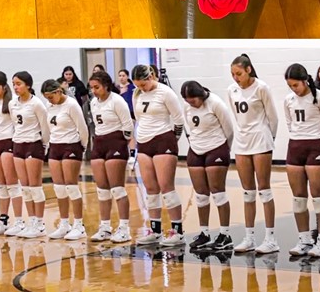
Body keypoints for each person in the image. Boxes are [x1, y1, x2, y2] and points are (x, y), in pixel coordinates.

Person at [226, 53, 281, 253]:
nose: (235, 77)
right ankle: (249, 237)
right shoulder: (231, 90)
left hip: (260, 140)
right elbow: (236, 116)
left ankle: (270, 238)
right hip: (242, 143)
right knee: (248, 192)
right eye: (232, 74)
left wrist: (269, 139)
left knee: (264, 190)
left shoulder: (261, 88)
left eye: (238, 73)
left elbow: (273, 117)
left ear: (248, 70)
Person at [281, 64, 320, 257]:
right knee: (298, 198)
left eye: (296, 85)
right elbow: (289, 123)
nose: (293, 89)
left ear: (305, 81)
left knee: (319, 197)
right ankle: (304, 240)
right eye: (290, 86)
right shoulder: (288, 100)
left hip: (316, 147)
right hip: (295, 147)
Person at [130, 64, 186, 247]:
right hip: (144, 142)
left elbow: (178, 120)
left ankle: (177, 232)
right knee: (150, 188)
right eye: (137, 85)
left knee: (166, 187)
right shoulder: (137, 94)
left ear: (151, 77)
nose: (141, 88)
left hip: (163, 139)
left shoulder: (165, 92)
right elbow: (139, 118)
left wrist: (171, 141)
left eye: (143, 85)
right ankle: (155, 230)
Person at [180, 80, 235, 252]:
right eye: (187, 101)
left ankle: (225, 235)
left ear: (200, 95)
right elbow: (190, 127)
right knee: (201, 195)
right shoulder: (187, 107)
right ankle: (204, 233)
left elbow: (229, 130)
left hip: (216, 148)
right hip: (196, 150)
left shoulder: (215, 104)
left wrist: (224, 150)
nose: (191, 103)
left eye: (193, 100)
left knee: (218, 192)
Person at [87, 69, 135, 243]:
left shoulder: (117, 101)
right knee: (102, 190)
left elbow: (128, 125)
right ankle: (105, 227)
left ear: (106, 86)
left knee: (117, 188)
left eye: (97, 87)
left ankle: (124, 228)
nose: (94, 91)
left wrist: (123, 144)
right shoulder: (93, 102)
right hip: (99, 143)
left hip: (116, 142)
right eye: (92, 87)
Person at [41, 78, 90, 240]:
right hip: (55, 147)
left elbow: (83, 129)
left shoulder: (71, 105)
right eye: (46, 97)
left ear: (58, 92)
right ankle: (64, 224)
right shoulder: (49, 106)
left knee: (71, 187)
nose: (48, 100)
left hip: (71, 146)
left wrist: (81, 148)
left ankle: (79, 225)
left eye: (50, 96)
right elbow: (49, 128)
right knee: (59, 188)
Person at [9, 71, 51, 238]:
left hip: (33, 145)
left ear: (28, 85)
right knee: (25, 187)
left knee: (35, 186)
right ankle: (31, 221)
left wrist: (44, 146)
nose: (16, 87)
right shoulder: (13, 104)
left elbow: (45, 127)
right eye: (14, 84)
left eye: (19, 84)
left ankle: (40, 224)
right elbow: (14, 124)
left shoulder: (37, 104)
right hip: (18, 144)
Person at [0, 71, 22, 236]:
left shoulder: (12, 103)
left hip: (8, 144)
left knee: (12, 185)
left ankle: (19, 221)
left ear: (4, 87)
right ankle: (3, 220)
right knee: (0, 186)